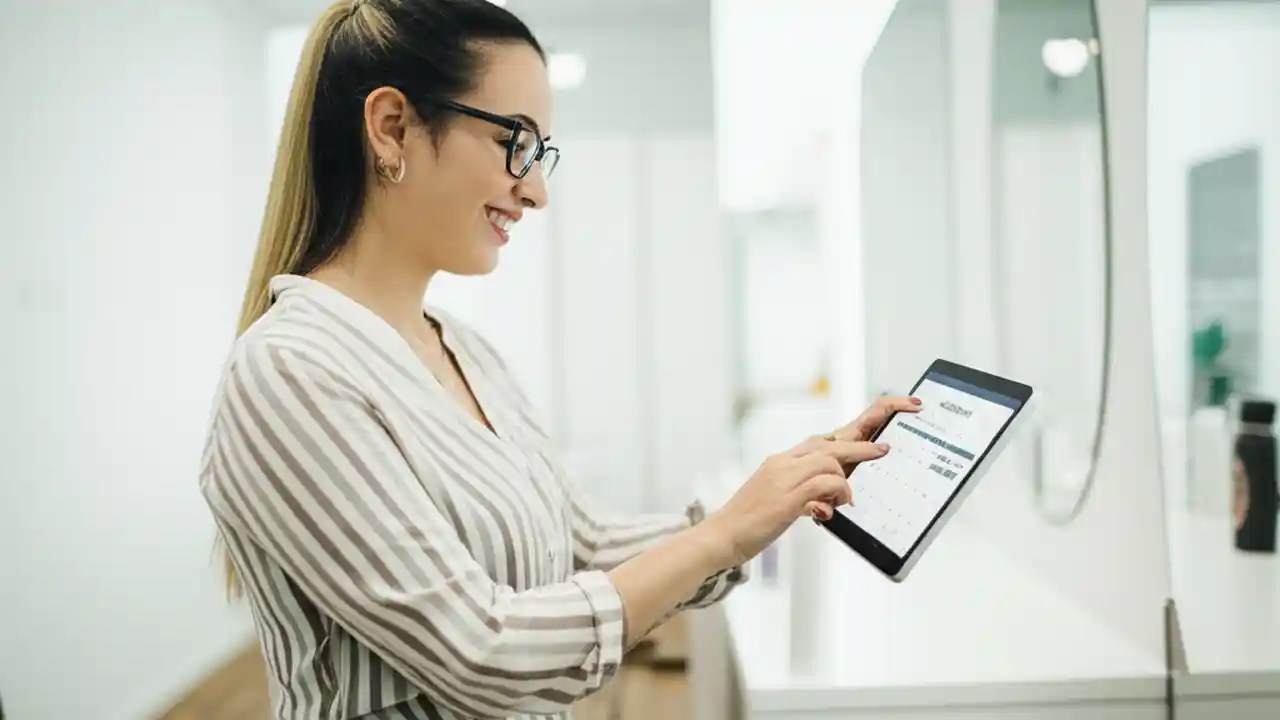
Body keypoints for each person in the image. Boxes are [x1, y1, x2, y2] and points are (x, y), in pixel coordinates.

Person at [197, 1, 920, 718]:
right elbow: (482, 655)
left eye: (541, 153)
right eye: (516, 141)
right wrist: (722, 536)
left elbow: (580, 545)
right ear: (393, 129)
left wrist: (780, 494)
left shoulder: (464, 351)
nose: (536, 190)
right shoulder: (290, 372)